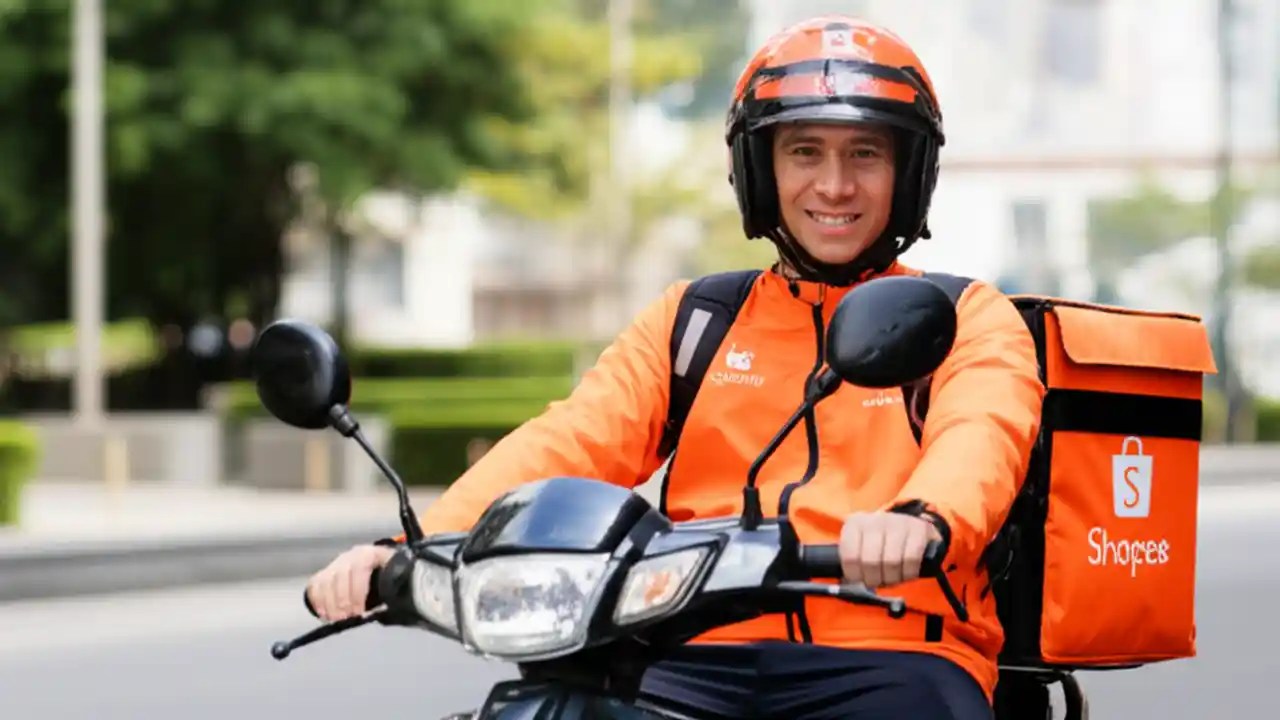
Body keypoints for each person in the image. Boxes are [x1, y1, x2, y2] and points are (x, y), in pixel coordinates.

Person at [305, 15, 1045, 720]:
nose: (834, 186)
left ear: (907, 172)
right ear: (759, 168)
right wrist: (412, 551)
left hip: (892, 650)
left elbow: (982, 437)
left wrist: (920, 520)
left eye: (866, 154)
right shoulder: (696, 320)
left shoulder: (963, 318)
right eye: (804, 152)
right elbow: (573, 439)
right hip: (693, 648)